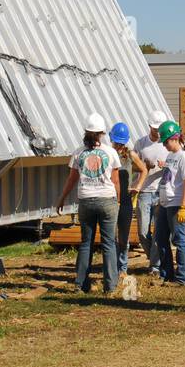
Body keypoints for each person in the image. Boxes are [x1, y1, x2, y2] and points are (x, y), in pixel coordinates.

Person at [55, 112, 121, 294]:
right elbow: (116, 182)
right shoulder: (111, 152)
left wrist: (61, 198)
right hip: (107, 200)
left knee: (86, 243)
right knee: (108, 243)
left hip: (86, 200)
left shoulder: (78, 153)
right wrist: (119, 201)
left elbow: (71, 180)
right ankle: (110, 286)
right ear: (102, 133)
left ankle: (80, 284)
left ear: (85, 132)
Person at [154, 120, 185, 285]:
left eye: (166, 142)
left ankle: (184, 277)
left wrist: (183, 207)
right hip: (166, 203)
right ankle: (166, 273)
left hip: (178, 203)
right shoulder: (171, 156)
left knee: (179, 240)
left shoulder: (184, 157)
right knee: (161, 238)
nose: (164, 145)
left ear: (175, 138)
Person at [108, 121, 147, 275]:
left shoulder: (131, 155)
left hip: (125, 201)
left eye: (119, 142)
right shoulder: (108, 154)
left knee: (123, 236)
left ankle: (122, 268)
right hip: (110, 201)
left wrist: (137, 186)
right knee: (111, 236)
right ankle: (112, 266)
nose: (117, 145)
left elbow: (144, 170)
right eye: (116, 142)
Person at [133, 112, 168, 275]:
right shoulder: (140, 143)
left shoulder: (167, 143)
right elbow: (133, 165)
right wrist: (142, 165)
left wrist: (165, 164)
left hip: (161, 191)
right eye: (155, 129)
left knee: (158, 231)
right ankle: (154, 258)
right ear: (149, 127)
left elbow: (177, 162)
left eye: (159, 129)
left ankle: (155, 266)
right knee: (142, 231)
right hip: (145, 191)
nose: (157, 132)